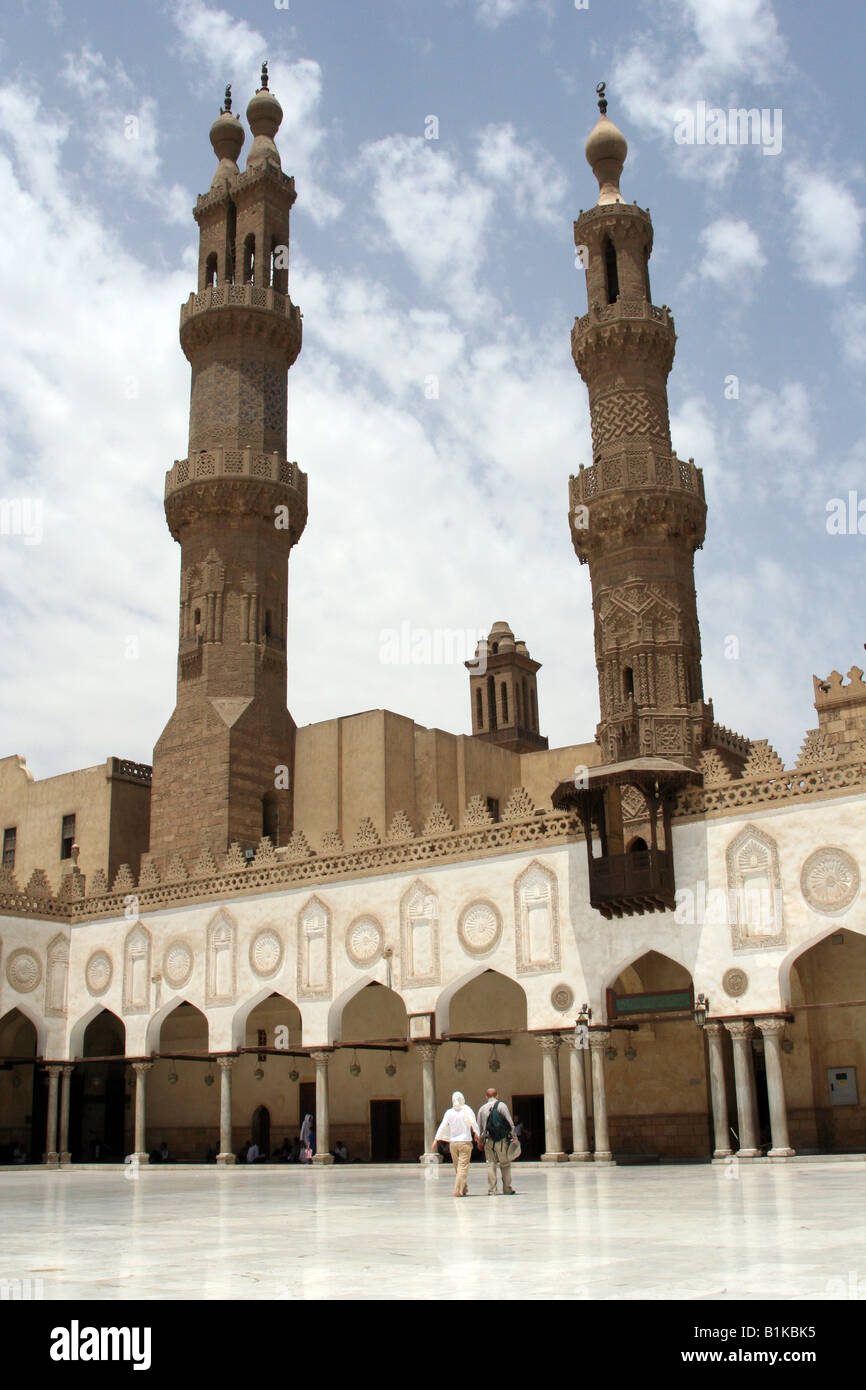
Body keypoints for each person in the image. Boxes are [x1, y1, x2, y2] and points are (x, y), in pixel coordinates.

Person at [433, 1091, 481, 1196]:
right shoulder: (467, 1110)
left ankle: (463, 1188)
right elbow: (473, 1123)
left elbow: (443, 1125)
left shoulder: (449, 1112)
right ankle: (457, 1190)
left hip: (453, 1144)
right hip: (465, 1142)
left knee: (458, 1168)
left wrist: (436, 1139)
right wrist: (477, 1134)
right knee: (462, 1168)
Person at [477, 1088, 517, 1195]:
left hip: (488, 1140)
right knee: (505, 1164)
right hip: (502, 1140)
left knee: (490, 1164)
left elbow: (480, 1129)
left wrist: (480, 1142)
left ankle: (492, 1190)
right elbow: (510, 1122)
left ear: (486, 1097)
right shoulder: (502, 1106)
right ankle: (507, 1188)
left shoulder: (482, 1109)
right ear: (497, 1096)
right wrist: (514, 1136)